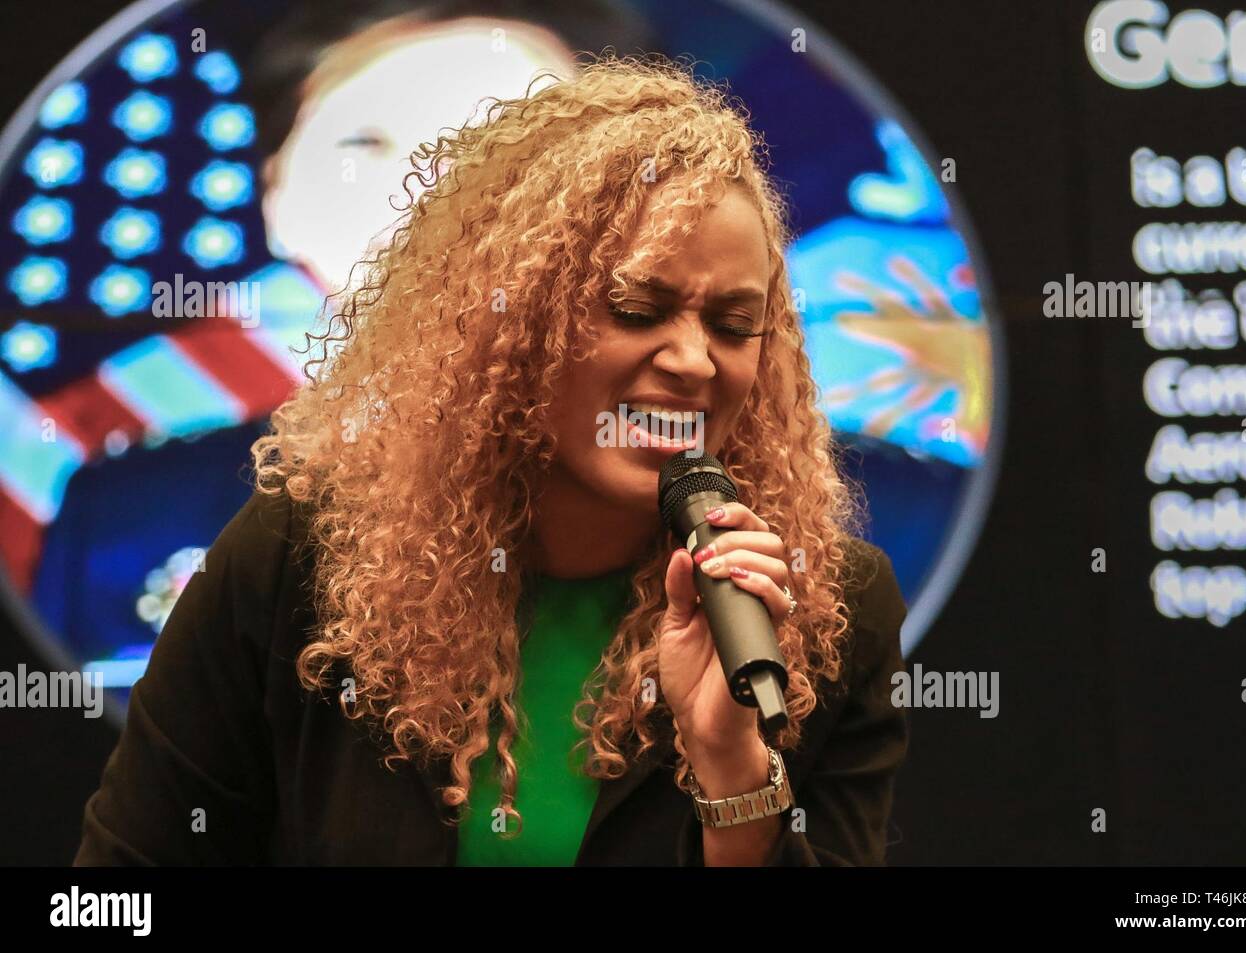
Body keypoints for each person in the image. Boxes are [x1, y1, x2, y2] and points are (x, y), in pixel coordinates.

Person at [73, 54, 909, 866]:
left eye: (733, 325)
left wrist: (735, 775)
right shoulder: (304, 557)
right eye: (634, 306)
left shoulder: (819, 615)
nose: (693, 360)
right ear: (505, 329)